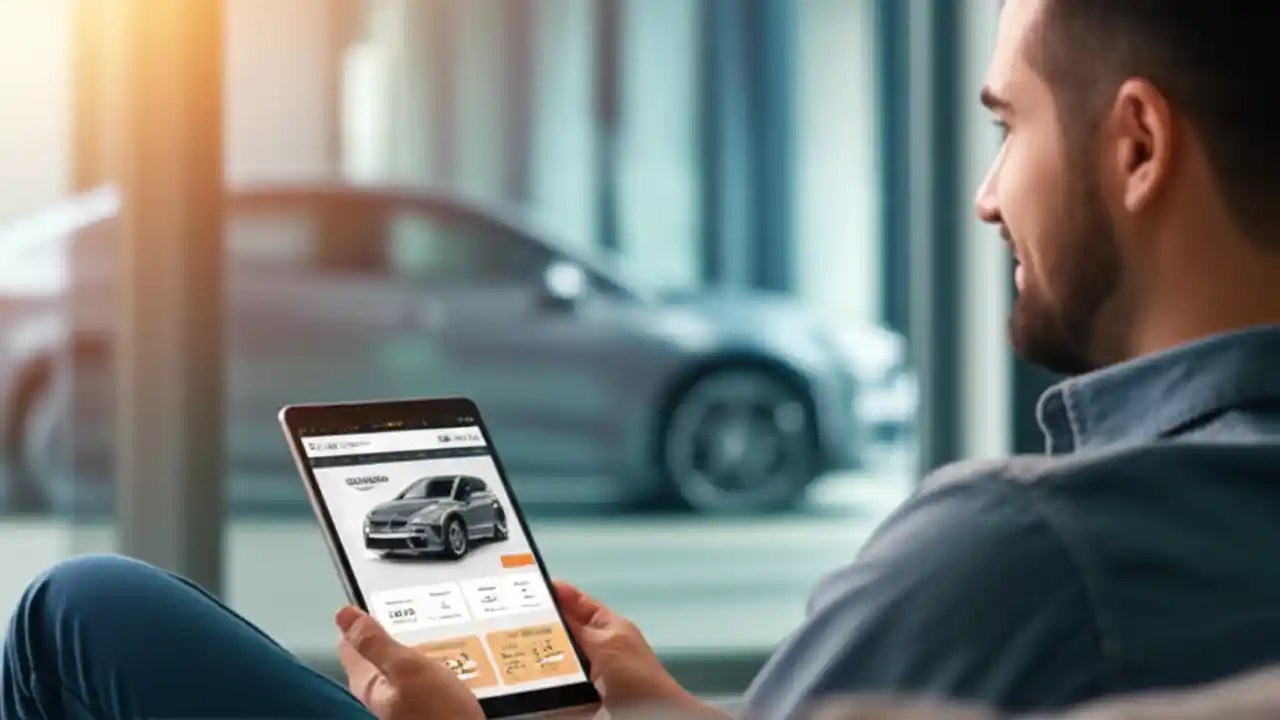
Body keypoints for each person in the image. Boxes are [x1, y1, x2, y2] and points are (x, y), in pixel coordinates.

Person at [6, 0, 1280, 717]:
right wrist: (667, 712)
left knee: (83, 615)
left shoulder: (1021, 556)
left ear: (1135, 145)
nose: (986, 195)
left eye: (1006, 125)